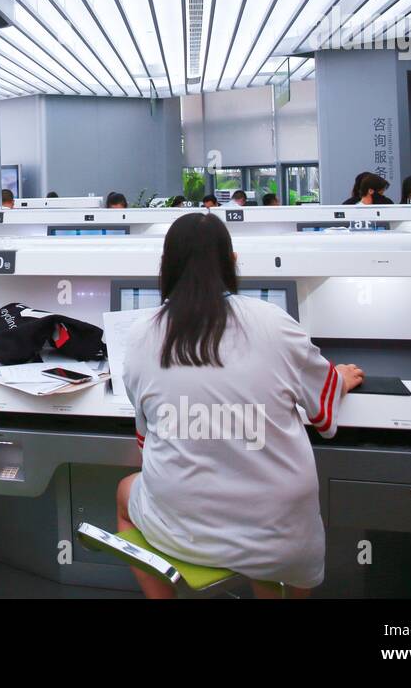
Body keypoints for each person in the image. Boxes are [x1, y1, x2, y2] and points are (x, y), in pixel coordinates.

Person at [114, 213, 363, 598]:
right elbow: (322, 410)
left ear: (166, 268)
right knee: (273, 553)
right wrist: (341, 380)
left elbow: (146, 439)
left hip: (182, 529)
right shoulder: (275, 323)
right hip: (281, 538)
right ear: (232, 262)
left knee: (124, 494)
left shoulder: (141, 335)